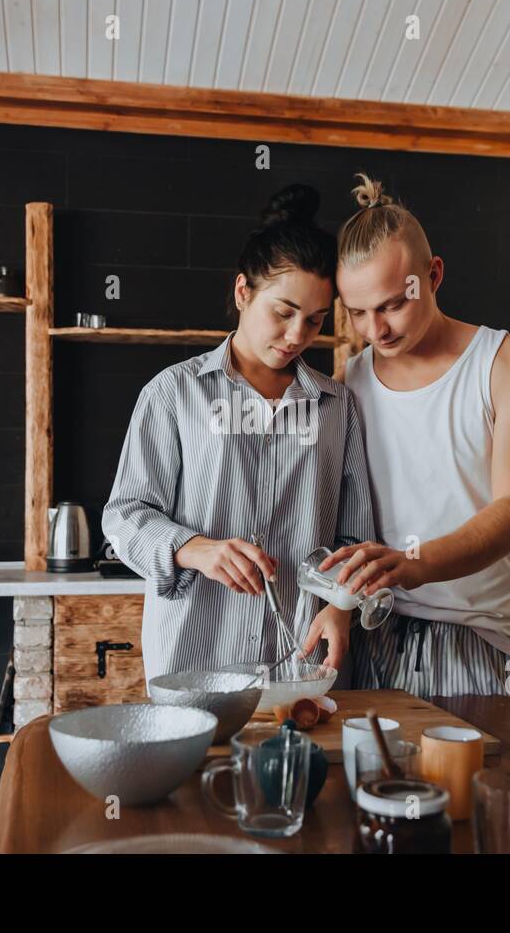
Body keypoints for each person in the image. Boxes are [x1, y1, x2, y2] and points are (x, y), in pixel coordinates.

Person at [102, 184, 377, 681]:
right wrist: (195, 548)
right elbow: (124, 518)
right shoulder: (174, 394)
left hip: (300, 660)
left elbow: (354, 538)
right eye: (283, 312)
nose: (297, 336)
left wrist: (341, 607)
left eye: (315, 321)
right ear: (242, 292)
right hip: (195, 661)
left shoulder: (337, 408)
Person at [327, 173, 510, 697]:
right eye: (357, 312)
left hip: (474, 642)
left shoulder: (508, 364)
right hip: (370, 635)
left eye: (390, 305)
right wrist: (336, 605)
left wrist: (413, 564)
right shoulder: (349, 383)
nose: (375, 330)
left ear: (433, 275)